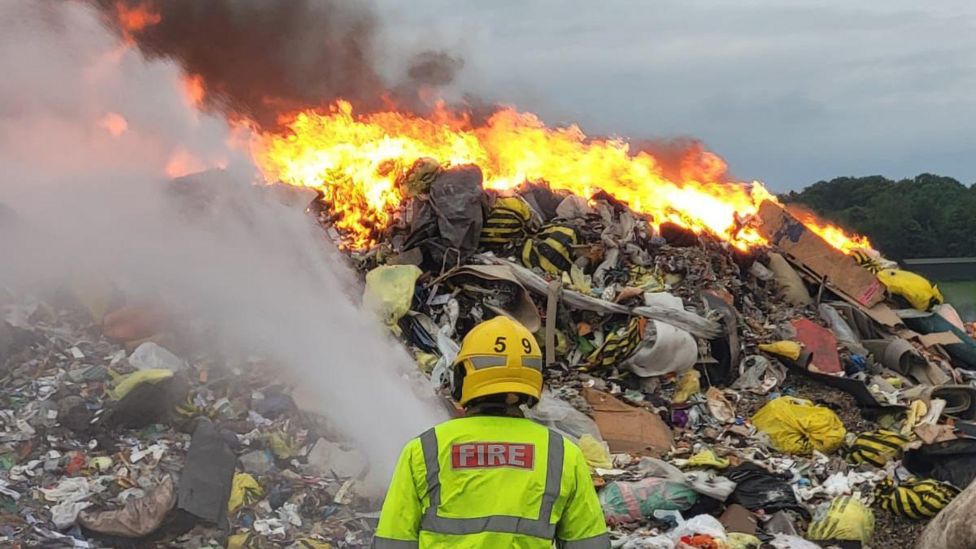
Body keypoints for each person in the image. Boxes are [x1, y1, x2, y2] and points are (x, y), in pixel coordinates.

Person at [373, 316, 610, 548]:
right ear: (535, 380)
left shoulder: (424, 450)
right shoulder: (562, 455)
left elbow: (393, 542)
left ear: (462, 377)